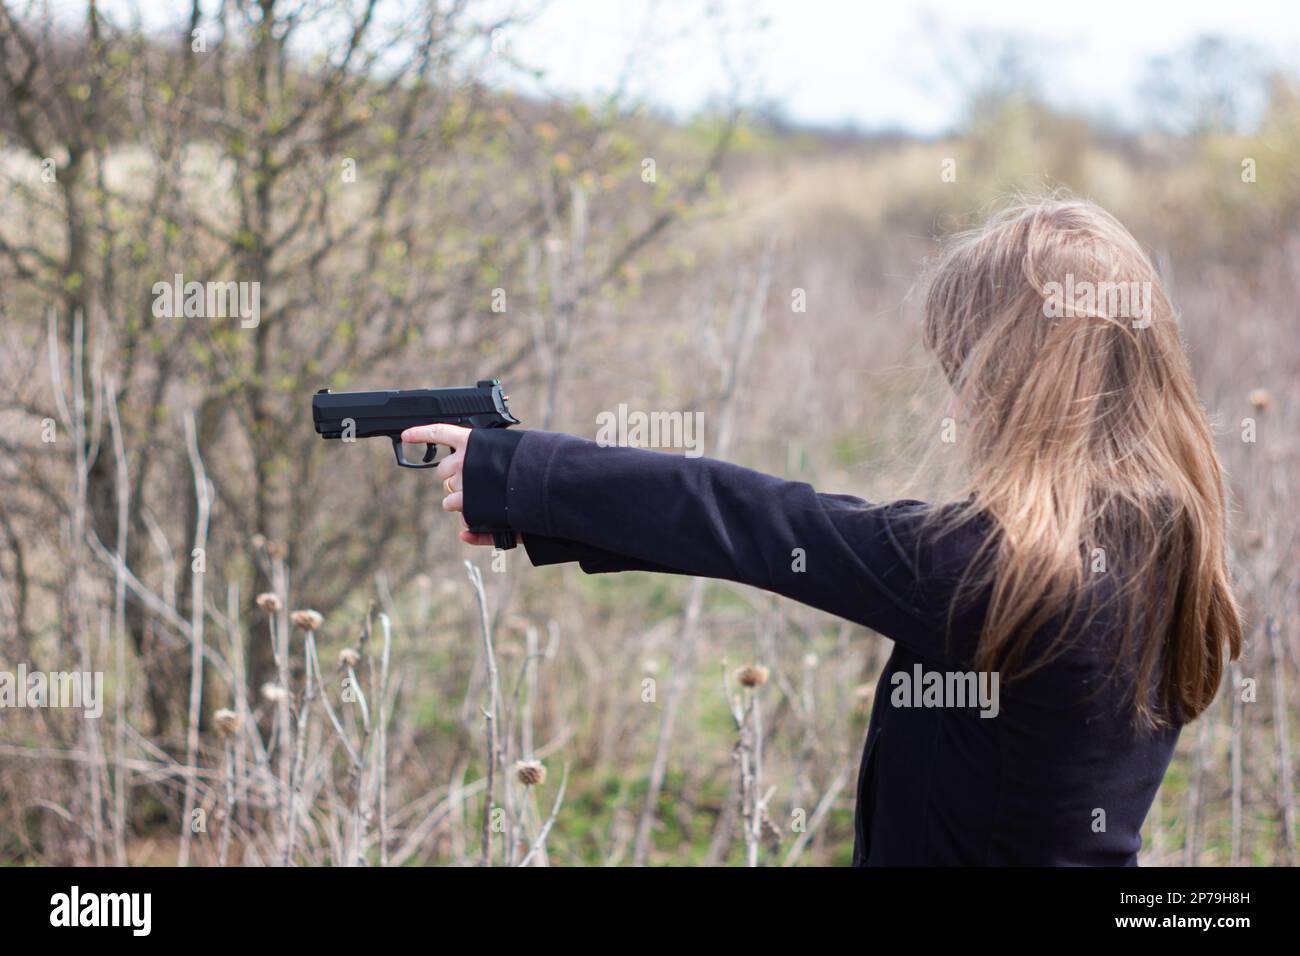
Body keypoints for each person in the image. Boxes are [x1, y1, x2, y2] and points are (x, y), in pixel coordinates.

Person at [401, 198, 1242, 866]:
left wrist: (518, 474)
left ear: (1021, 386)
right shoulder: (1169, 544)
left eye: (969, 371)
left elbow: (754, 521)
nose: (954, 403)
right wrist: (527, 497)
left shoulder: (1002, 573)